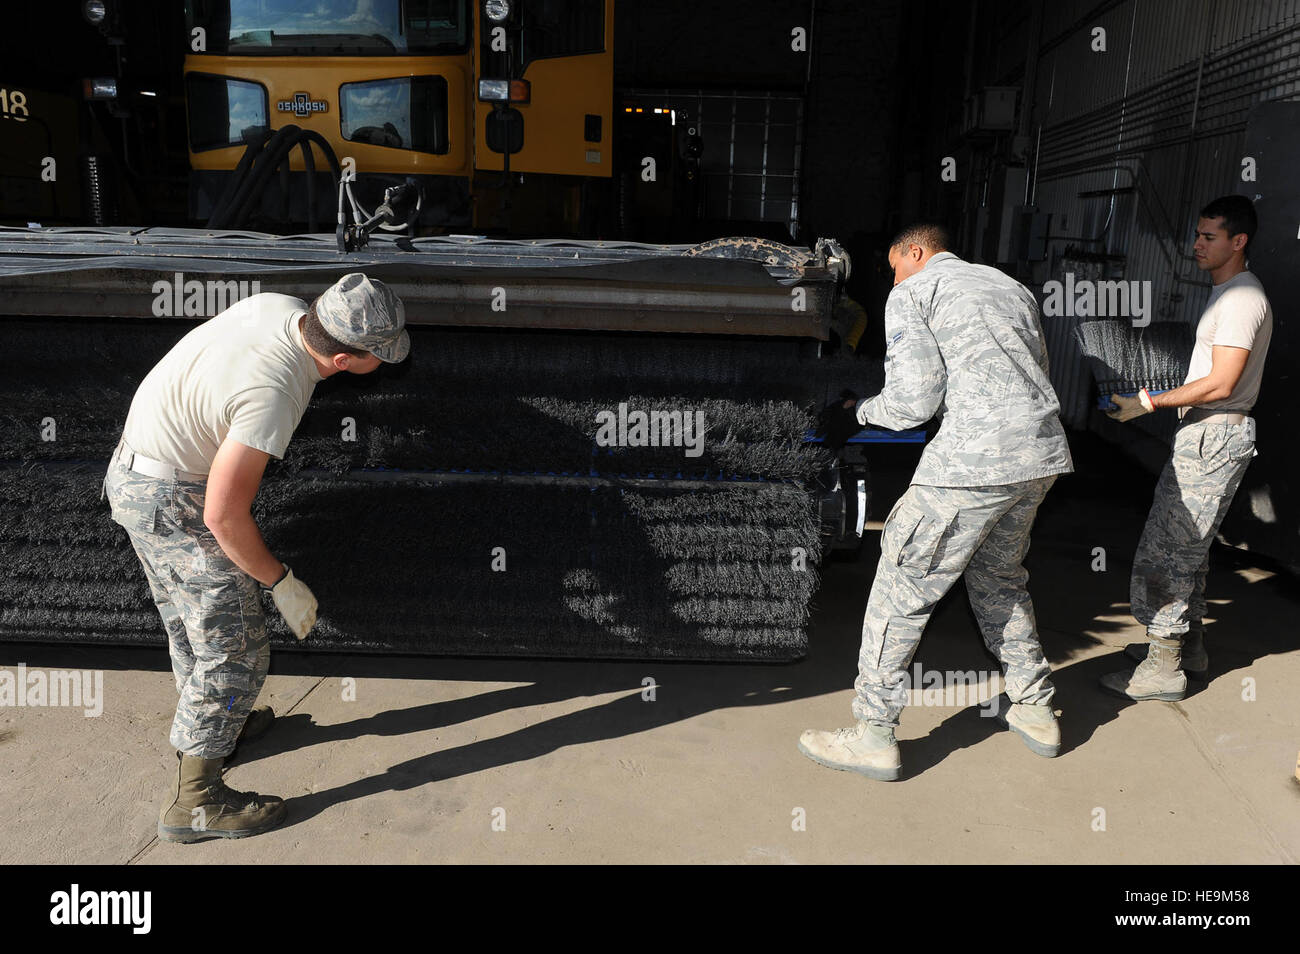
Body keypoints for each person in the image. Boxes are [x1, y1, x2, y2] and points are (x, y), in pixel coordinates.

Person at [102, 272, 409, 841]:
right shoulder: (274, 394)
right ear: (344, 361)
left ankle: (221, 726)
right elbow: (222, 515)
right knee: (235, 648)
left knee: (194, 625)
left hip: (136, 471)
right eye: (379, 355)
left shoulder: (279, 307)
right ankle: (195, 802)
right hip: (173, 499)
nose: (386, 362)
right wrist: (280, 581)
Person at [798, 224, 1073, 780]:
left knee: (900, 587)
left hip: (971, 466)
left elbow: (913, 402)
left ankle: (874, 735)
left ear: (916, 253)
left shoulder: (915, 291)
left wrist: (854, 415)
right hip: (1038, 456)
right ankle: (1037, 707)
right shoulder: (1009, 286)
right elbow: (1013, 376)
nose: (892, 279)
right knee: (1000, 579)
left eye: (895, 266)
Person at [1103, 195, 1272, 701]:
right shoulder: (1230, 293)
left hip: (1215, 433)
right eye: (1197, 235)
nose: (1196, 245)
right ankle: (1189, 646)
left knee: (1168, 552)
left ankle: (1164, 665)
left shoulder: (1241, 299)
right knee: (1190, 550)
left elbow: (1221, 383)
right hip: (1210, 433)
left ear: (1238, 241)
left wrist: (1147, 402)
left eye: (1209, 237)